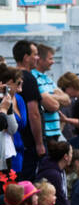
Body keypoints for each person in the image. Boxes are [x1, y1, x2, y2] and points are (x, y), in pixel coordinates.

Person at [13, 39, 51, 180]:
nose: (37, 58)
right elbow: (34, 113)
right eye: (35, 55)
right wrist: (39, 143)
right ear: (25, 57)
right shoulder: (28, 79)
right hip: (28, 142)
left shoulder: (10, 76)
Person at [36, 139, 76, 205]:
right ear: (66, 157)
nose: (72, 155)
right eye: (71, 153)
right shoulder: (53, 174)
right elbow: (61, 199)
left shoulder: (59, 170)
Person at [33, 45, 70, 144]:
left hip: (54, 131)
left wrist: (49, 97)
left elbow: (67, 100)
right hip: (45, 133)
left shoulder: (47, 78)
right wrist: (56, 99)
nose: (53, 61)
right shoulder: (33, 77)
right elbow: (52, 106)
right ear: (40, 59)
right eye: (50, 58)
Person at [0, 67, 21, 182]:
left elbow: (13, 129)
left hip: (5, 156)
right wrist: (2, 109)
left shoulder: (4, 99)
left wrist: (8, 108)